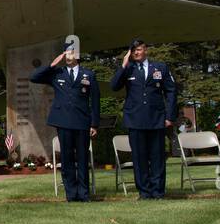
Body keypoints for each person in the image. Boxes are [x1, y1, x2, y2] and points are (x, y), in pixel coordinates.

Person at [30, 43, 99, 201]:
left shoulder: (88, 74)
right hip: (63, 122)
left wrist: (94, 124)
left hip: (82, 122)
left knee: (82, 159)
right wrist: (51, 64)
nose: (68, 56)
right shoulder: (57, 73)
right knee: (67, 160)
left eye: (71, 53)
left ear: (78, 55)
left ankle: (83, 194)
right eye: (66, 53)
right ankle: (71, 194)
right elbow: (34, 77)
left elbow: (95, 101)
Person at [109, 38, 177, 200]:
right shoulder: (129, 69)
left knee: (157, 157)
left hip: (156, 119)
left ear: (146, 50)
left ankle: (158, 191)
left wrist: (169, 116)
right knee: (139, 158)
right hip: (135, 119)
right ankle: (144, 192)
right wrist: (123, 65)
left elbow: (171, 92)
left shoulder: (160, 67)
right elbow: (114, 86)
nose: (136, 53)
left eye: (139, 49)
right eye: (133, 51)